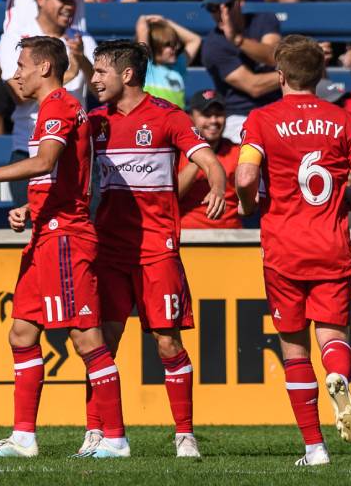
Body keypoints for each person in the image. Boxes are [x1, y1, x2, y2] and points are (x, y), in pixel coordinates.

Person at [0, 36, 129, 459]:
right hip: (45, 231)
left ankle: (115, 438)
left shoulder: (59, 106)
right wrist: (29, 207)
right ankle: (24, 438)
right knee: (22, 333)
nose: (16, 74)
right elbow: (60, 173)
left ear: (44, 68)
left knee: (86, 339)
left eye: (22, 65)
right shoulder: (53, 108)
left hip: (67, 237)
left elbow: (46, 161)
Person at [234, 34, 351, 467]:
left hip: (284, 249)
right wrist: (347, 200)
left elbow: (244, 178)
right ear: (319, 76)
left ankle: (315, 448)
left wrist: (248, 205)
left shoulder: (261, 119)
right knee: (332, 335)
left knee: (294, 348)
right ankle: (338, 374)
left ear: (280, 75)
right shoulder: (342, 118)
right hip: (332, 246)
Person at [87, 39, 226, 458]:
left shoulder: (167, 117)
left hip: (156, 249)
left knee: (167, 343)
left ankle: (185, 434)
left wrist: (217, 182)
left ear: (126, 75)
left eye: (100, 72)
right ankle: (99, 433)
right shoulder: (94, 122)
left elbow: (208, 160)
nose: (94, 79)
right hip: (109, 249)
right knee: (101, 344)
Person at [0, 0, 96, 205]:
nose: (69, 6)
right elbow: (19, 94)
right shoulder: (17, 38)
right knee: (35, 226)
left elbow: (101, 91)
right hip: (29, 147)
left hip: (74, 151)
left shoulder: (82, 39)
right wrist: (68, 73)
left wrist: (81, 60)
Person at [198, 0, 281, 140]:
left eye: (226, 5)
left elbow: (275, 56)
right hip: (242, 115)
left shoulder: (264, 19)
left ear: (240, 1)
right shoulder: (213, 46)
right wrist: (297, 74)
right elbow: (254, 87)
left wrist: (238, 40)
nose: (221, 13)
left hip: (279, 109)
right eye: (213, 7)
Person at [178, 89, 240, 229]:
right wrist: (201, 156)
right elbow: (169, 198)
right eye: (206, 114)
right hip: (188, 235)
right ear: (191, 117)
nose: (213, 120)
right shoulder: (177, 153)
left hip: (232, 237)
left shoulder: (238, 152)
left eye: (218, 114)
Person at [135, 13, 199, 107]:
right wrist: (144, 19)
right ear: (154, 47)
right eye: (168, 45)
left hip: (177, 121)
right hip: (154, 121)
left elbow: (195, 40)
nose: (175, 48)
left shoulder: (178, 67)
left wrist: (167, 22)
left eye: (174, 43)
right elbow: (142, 32)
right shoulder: (147, 68)